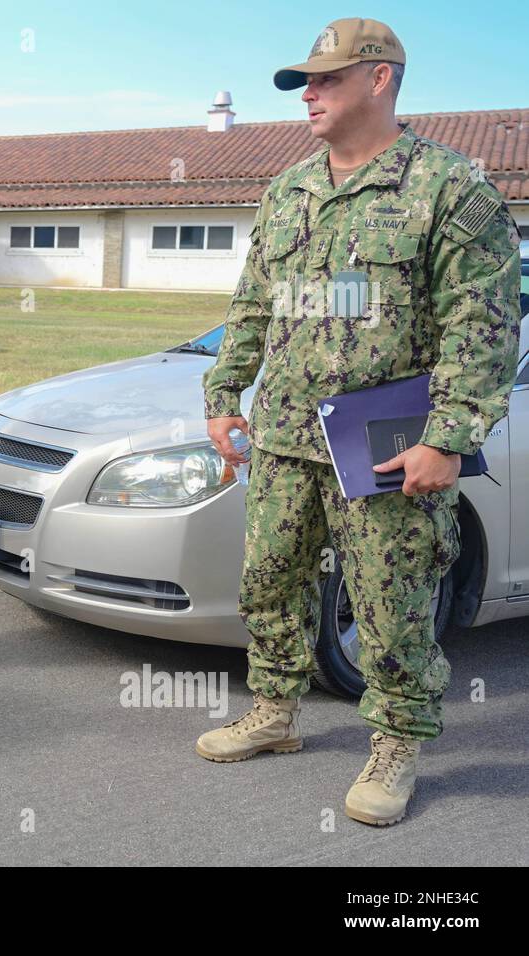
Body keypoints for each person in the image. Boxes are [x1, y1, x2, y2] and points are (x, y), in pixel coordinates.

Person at [195, 20, 521, 826]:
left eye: (326, 79)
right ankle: (274, 712)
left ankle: (398, 742)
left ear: (379, 80)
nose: (308, 93)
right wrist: (224, 392)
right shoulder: (288, 189)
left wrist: (448, 437)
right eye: (305, 82)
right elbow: (253, 303)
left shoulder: (450, 188)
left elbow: (481, 325)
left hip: (386, 440)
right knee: (269, 580)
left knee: (391, 597)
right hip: (284, 434)